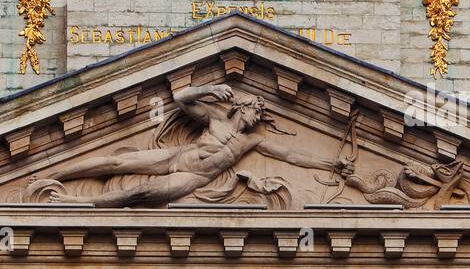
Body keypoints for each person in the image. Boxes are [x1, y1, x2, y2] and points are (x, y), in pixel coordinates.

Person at [26, 85, 352, 207]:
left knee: (140, 195)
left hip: (194, 179)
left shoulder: (252, 141)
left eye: (261, 114)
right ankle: (53, 172)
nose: (259, 116)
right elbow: (181, 99)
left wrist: (332, 165)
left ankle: (77, 203)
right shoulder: (217, 120)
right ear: (243, 106)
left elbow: (293, 155)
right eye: (256, 109)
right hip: (177, 156)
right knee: (116, 163)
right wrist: (208, 87)